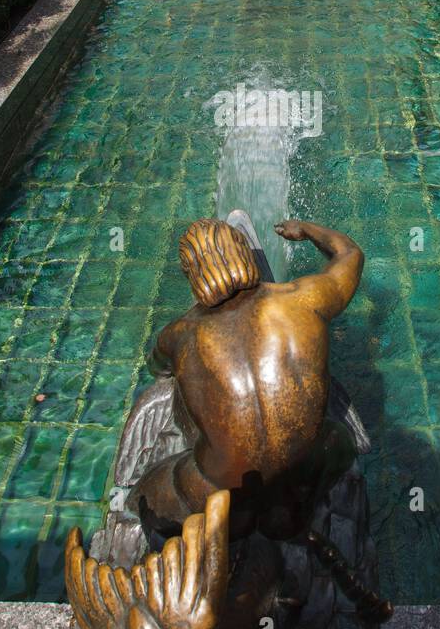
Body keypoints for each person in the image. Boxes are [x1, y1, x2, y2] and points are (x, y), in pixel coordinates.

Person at [128, 217, 363, 539]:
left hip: (220, 493)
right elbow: (349, 253)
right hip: (302, 474)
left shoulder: (178, 334)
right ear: (244, 252)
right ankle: (290, 512)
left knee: (142, 496)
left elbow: (157, 368)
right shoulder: (306, 297)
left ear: (191, 271)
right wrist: (306, 229)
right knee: (339, 438)